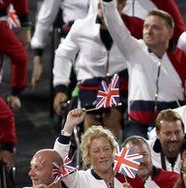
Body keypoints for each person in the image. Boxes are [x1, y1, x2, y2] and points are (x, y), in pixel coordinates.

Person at [100, 0, 186, 138]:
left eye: (155, 27)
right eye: (146, 26)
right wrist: (108, 3)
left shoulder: (185, 60)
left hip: (172, 125)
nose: (148, 31)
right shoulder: (134, 50)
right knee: (130, 156)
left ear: (169, 32)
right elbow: (115, 25)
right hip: (138, 125)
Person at [51, 0, 131, 135]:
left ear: (121, 5)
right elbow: (63, 54)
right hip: (90, 83)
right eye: (100, 4)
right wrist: (60, 87)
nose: (102, 6)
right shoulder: (81, 26)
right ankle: (90, 152)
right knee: (90, 118)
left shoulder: (131, 26)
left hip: (119, 81)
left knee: (112, 117)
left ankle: (113, 152)